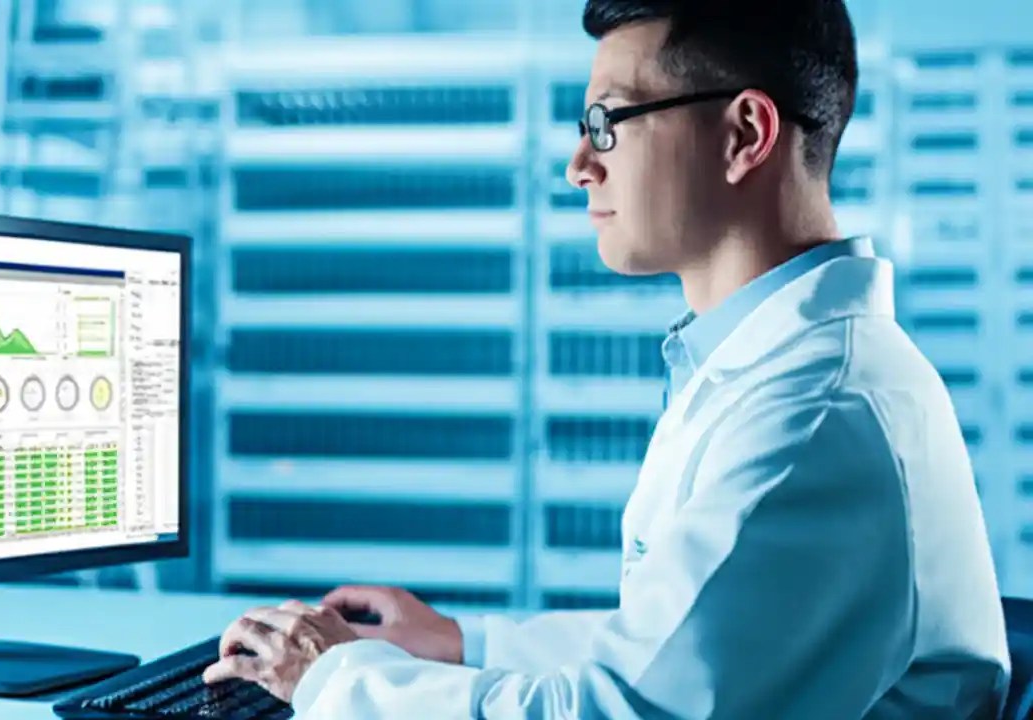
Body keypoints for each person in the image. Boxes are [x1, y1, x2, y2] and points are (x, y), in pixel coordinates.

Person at [202, 0, 1015, 716]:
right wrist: (459, 641)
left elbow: (619, 711)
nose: (578, 165)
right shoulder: (777, 367)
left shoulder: (815, 417)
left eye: (606, 124)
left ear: (745, 135)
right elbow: (678, 642)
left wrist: (336, 680)